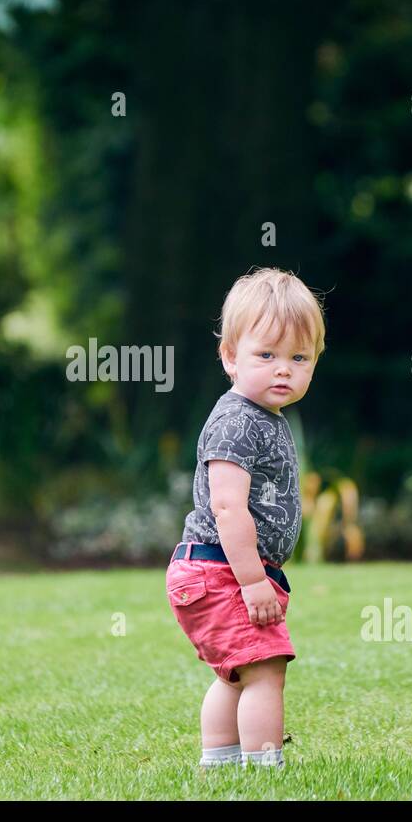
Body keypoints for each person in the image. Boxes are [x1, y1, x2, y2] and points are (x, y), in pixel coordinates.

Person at [167, 267, 325, 769]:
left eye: (299, 358)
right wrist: (253, 581)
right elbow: (228, 507)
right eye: (267, 355)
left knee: (234, 672)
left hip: (218, 570)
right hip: (224, 571)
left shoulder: (263, 417)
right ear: (230, 357)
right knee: (265, 669)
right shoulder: (237, 421)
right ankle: (263, 769)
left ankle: (220, 764)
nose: (284, 369)